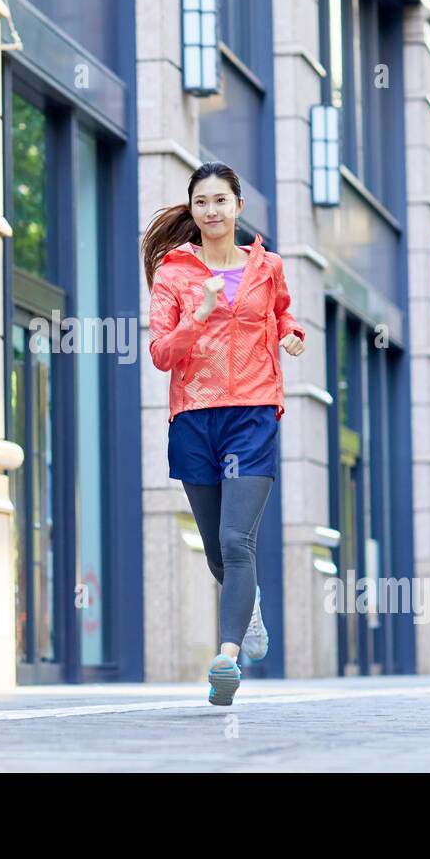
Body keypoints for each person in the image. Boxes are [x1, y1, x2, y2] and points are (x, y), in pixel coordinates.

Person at [142, 162, 305, 706]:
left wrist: (294, 335)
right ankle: (250, 610)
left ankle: (227, 658)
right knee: (217, 548)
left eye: (220, 201)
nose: (211, 211)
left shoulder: (269, 266)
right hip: (193, 417)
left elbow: (281, 314)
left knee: (238, 541)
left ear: (238, 206)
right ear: (192, 210)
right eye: (201, 202)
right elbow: (162, 354)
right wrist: (200, 314)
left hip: (252, 413)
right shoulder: (174, 274)